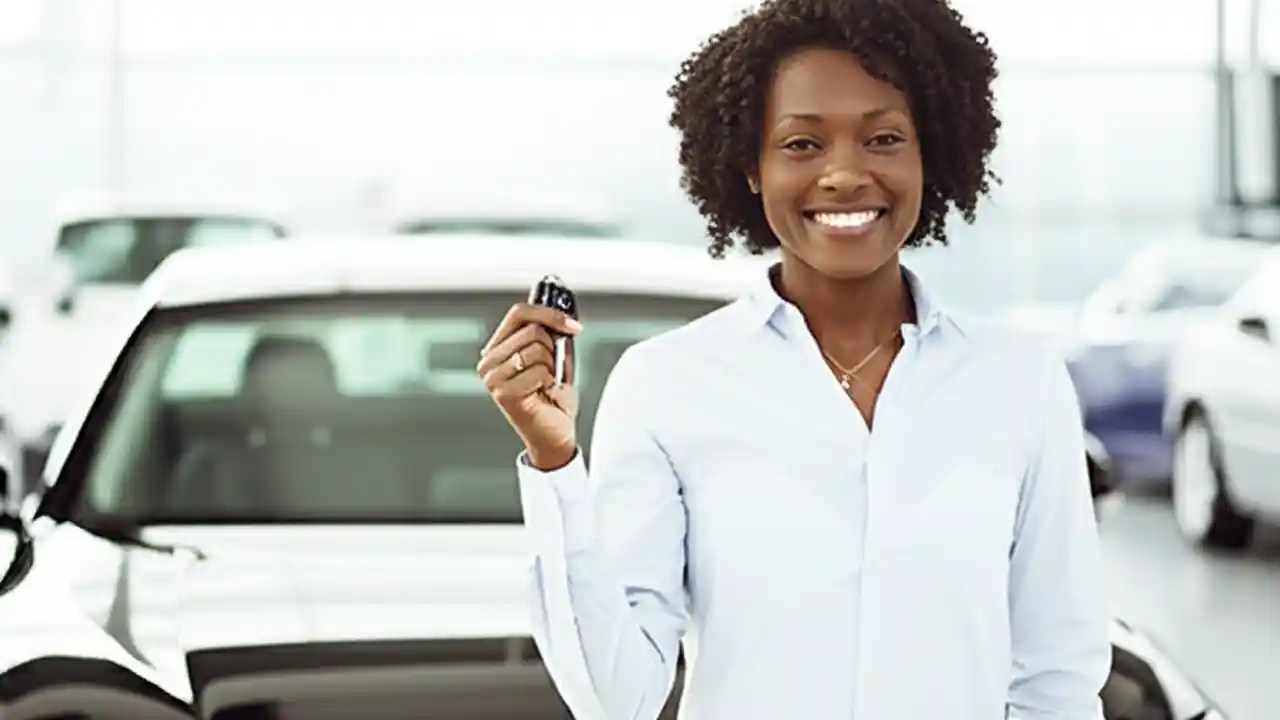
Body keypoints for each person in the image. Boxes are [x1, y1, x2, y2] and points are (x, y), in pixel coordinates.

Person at [476, 1, 1111, 718]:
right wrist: (556, 463)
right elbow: (617, 698)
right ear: (750, 167)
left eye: (883, 138)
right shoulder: (667, 385)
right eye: (803, 145)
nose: (844, 174)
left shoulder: (1019, 382)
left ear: (928, 155)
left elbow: (1056, 676)